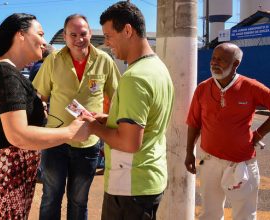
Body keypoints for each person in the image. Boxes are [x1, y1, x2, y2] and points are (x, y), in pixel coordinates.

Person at [0, 13, 89, 219]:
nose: (44, 41)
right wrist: (70, 132)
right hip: (3, 182)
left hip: (8, 181)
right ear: (20, 34)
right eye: (40, 34)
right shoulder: (6, 74)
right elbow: (18, 135)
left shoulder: (6, 72)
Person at [83, 2, 175, 219]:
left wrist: (94, 127)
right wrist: (110, 119)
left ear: (127, 30)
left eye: (109, 36)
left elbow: (129, 142)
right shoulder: (158, 69)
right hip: (148, 180)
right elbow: (147, 121)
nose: (106, 43)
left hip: (129, 186)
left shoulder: (134, 78)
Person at [33, 14, 120, 220]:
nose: (79, 39)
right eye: (73, 34)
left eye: (83, 34)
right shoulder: (53, 60)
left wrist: (107, 116)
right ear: (64, 36)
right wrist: (40, 111)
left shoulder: (104, 61)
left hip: (88, 144)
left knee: (79, 200)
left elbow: (118, 98)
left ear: (90, 33)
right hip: (56, 141)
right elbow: (39, 96)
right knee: (51, 197)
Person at [185, 42, 270, 220]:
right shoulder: (203, 88)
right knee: (209, 214)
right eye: (213, 58)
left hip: (242, 163)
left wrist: (259, 134)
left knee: (244, 215)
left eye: (222, 60)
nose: (215, 63)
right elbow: (194, 122)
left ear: (236, 63)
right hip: (210, 162)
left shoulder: (250, 87)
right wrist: (189, 153)